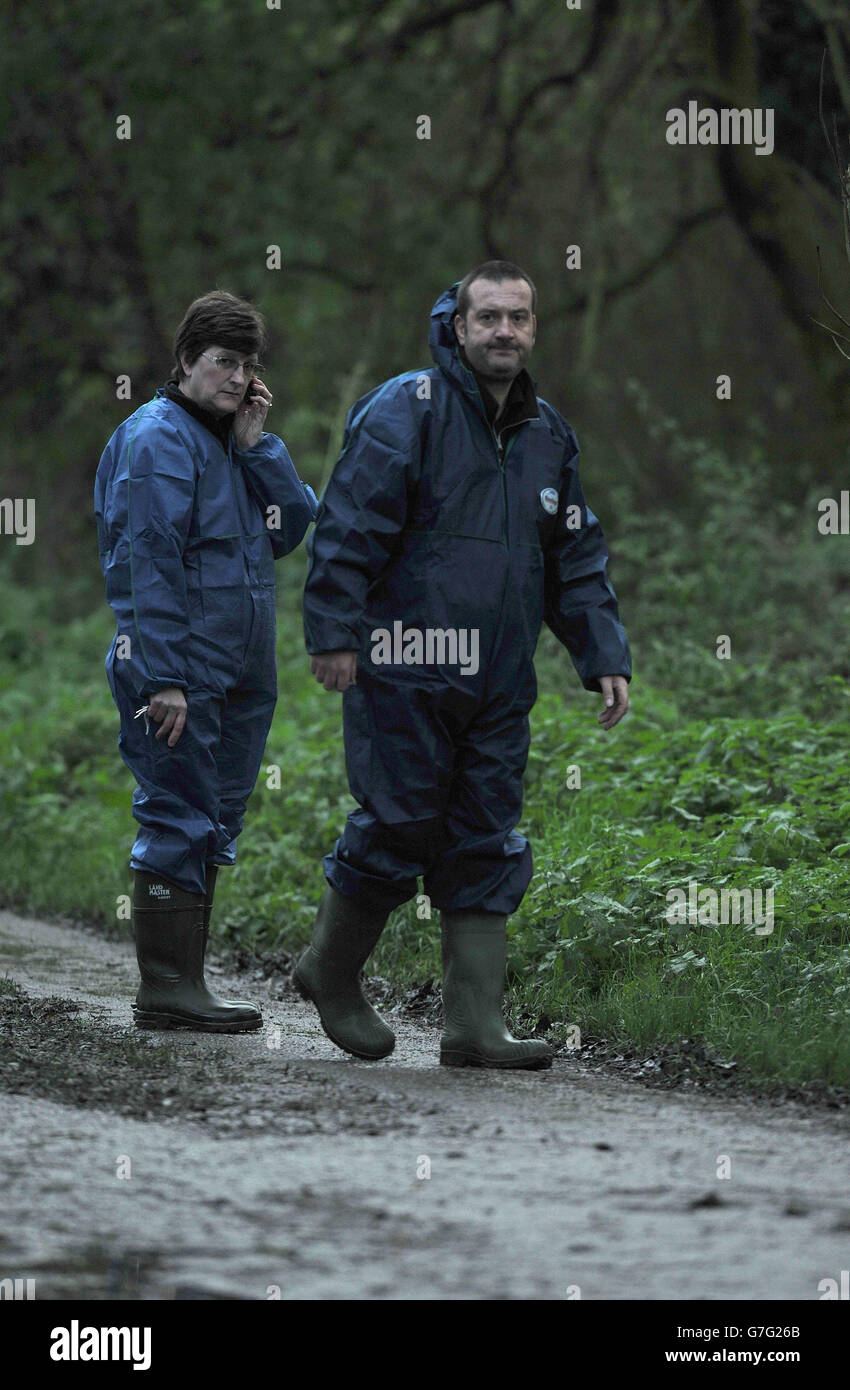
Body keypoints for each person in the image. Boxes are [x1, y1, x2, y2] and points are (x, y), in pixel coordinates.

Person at [296, 261, 631, 1070]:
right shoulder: (405, 409)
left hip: (500, 680)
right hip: (405, 664)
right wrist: (334, 632)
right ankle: (330, 973)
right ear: (459, 325)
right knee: (401, 821)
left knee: (486, 834)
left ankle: (474, 1028)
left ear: (533, 328)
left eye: (518, 318)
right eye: (489, 318)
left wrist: (601, 652)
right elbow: (348, 526)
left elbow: (574, 557)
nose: (504, 332)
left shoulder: (548, 434)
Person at [95, 291, 317, 1033]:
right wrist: (163, 678)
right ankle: (166, 988)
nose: (235, 378)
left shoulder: (230, 441)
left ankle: (186, 985)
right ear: (187, 359)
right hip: (179, 673)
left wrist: (260, 446)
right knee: (177, 813)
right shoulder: (158, 440)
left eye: (248, 366)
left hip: (239, 673)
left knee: (214, 817)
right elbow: (145, 564)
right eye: (223, 362)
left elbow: (289, 531)